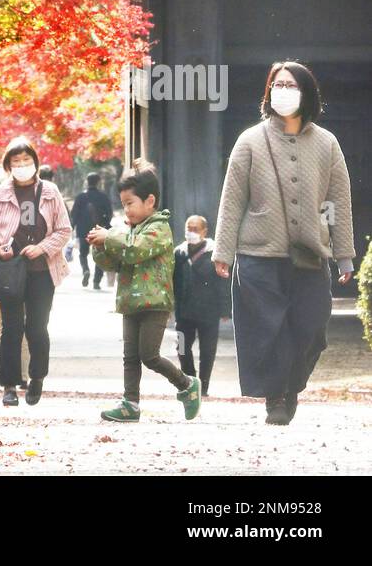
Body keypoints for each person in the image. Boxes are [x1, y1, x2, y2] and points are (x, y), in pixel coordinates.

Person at [214, 61, 354, 425]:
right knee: (267, 330)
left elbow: (336, 203)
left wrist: (343, 255)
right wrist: (223, 251)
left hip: (309, 255)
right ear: (268, 92)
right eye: (277, 84)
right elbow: (232, 200)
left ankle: (291, 385)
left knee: (312, 326)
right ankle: (276, 397)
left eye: (291, 85)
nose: (283, 90)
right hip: (258, 253)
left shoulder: (327, 143)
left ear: (306, 92)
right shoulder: (249, 140)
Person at [89, 162, 201, 423]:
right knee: (130, 357)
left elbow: (137, 249)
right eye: (123, 204)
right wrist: (99, 246)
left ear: (150, 201)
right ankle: (131, 403)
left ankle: (185, 384)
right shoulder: (127, 231)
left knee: (148, 355)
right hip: (130, 301)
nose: (126, 209)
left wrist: (111, 238)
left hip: (155, 303)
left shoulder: (159, 228)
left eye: (130, 203)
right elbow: (114, 263)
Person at [0, 137, 71, 407]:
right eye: (16, 162)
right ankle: (8, 385)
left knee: (37, 327)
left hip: (42, 270)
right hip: (10, 270)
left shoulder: (51, 192)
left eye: (26, 161)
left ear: (35, 163)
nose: (21, 166)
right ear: (8, 166)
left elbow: (64, 230)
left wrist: (42, 248)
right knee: (11, 328)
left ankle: (37, 377)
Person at [173, 214, 228, 398]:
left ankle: (203, 387)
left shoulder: (214, 254)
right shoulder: (178, 253)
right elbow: (173, 281)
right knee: (181, 347)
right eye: (189, 228)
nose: (191, 232)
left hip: (208, 311)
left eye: (196, 229)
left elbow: (223, 283)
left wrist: (225, 309)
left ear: (205, 231)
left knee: (208, 350)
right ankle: (189, 381)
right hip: (183, 312)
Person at [71, 171, 113, 289]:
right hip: (98, 230)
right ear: (98, 182)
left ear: (86, 182)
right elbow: (109, 213)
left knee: (83, 254)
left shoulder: (81, 197)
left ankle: (85, 270)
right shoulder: (103, 197)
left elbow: (74, 214)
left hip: (83, 230)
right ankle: (96, 281)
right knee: (99, 255)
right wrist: (106, 225)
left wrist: (72, 227)